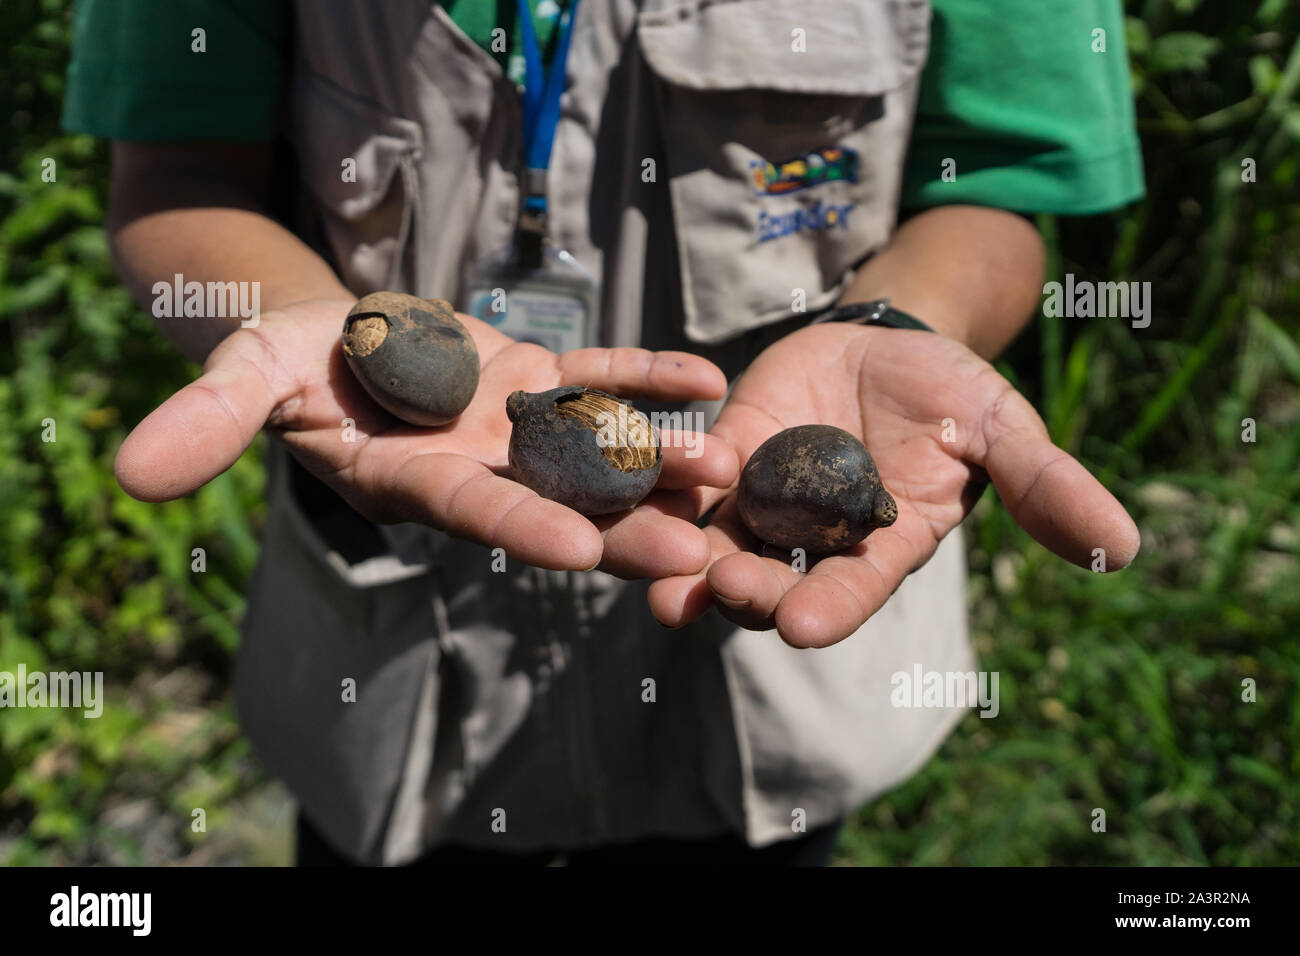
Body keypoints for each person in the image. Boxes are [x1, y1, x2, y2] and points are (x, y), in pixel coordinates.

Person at [64, 0, 1144, 866]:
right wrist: (303, 323)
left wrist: (901, 321)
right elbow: (177, 175)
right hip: (397, 696)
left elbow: (994, 193)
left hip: (764, 701)